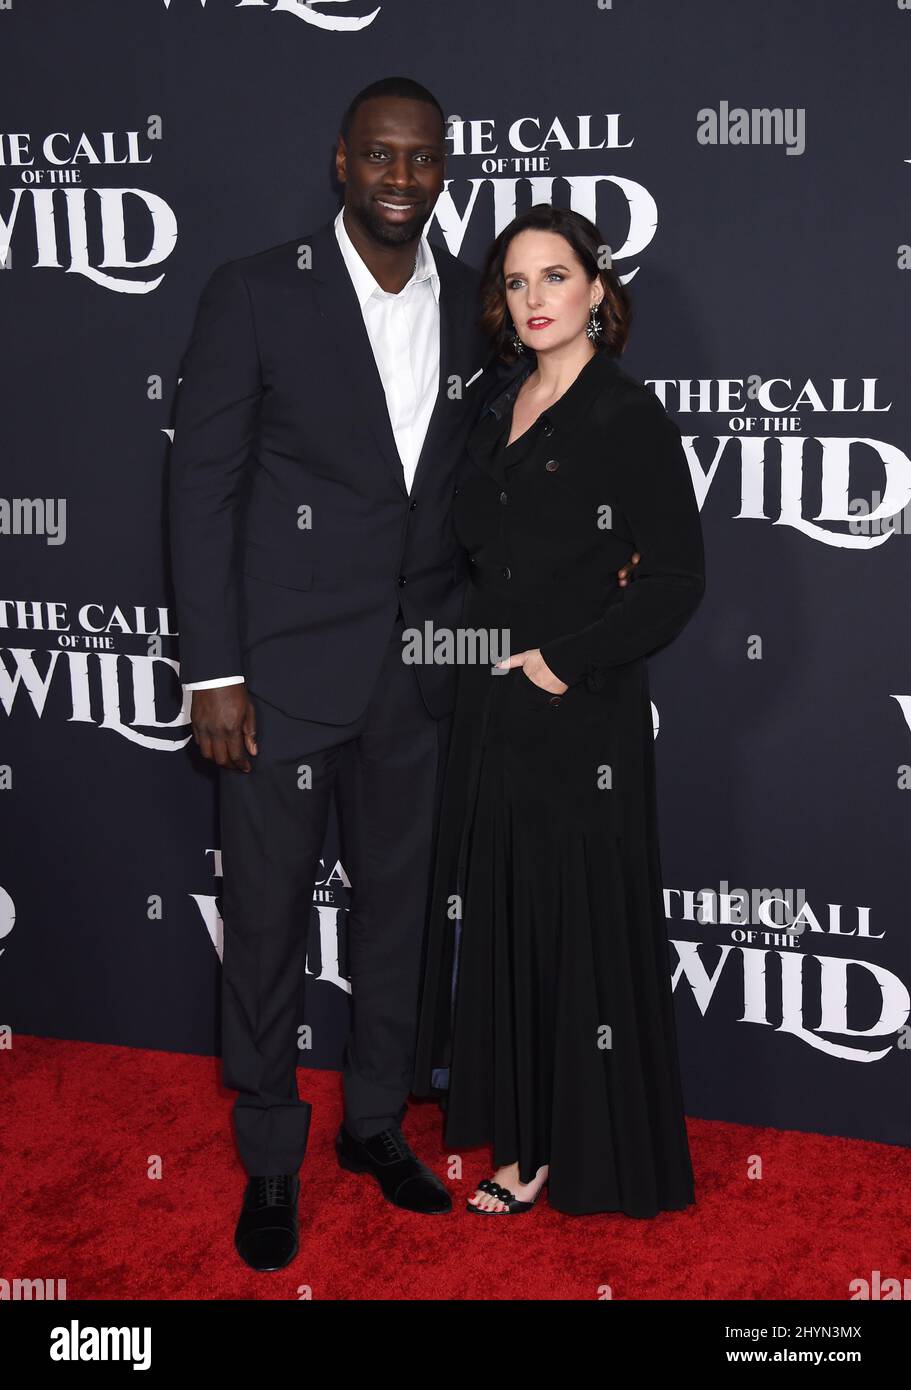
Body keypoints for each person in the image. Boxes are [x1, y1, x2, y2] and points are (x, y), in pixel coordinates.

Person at [168, 77, 500, 1271]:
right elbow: (200, 492)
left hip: (417, 675)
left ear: (443, 169)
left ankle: (372, 1125)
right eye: (380, 157)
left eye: (420, 160)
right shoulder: (256, 292)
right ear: (340, 163)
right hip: (278, 676)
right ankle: (270, 1158)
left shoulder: (477, 306)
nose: (400, 179)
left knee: (399, 917)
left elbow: (490, 481)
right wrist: (213, 670)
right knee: (262, 923)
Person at [412, 203, 706, 1217]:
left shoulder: (624, 414)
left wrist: (563, 662)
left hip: (578, 716)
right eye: (513, 282)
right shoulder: (499, 404)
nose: (531, 299)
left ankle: (573, 1148)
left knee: (570, 926)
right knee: (504, 923)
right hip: (490, 709)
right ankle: (523, 1138)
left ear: (595, 286)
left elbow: (671, 578)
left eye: (552, 277)